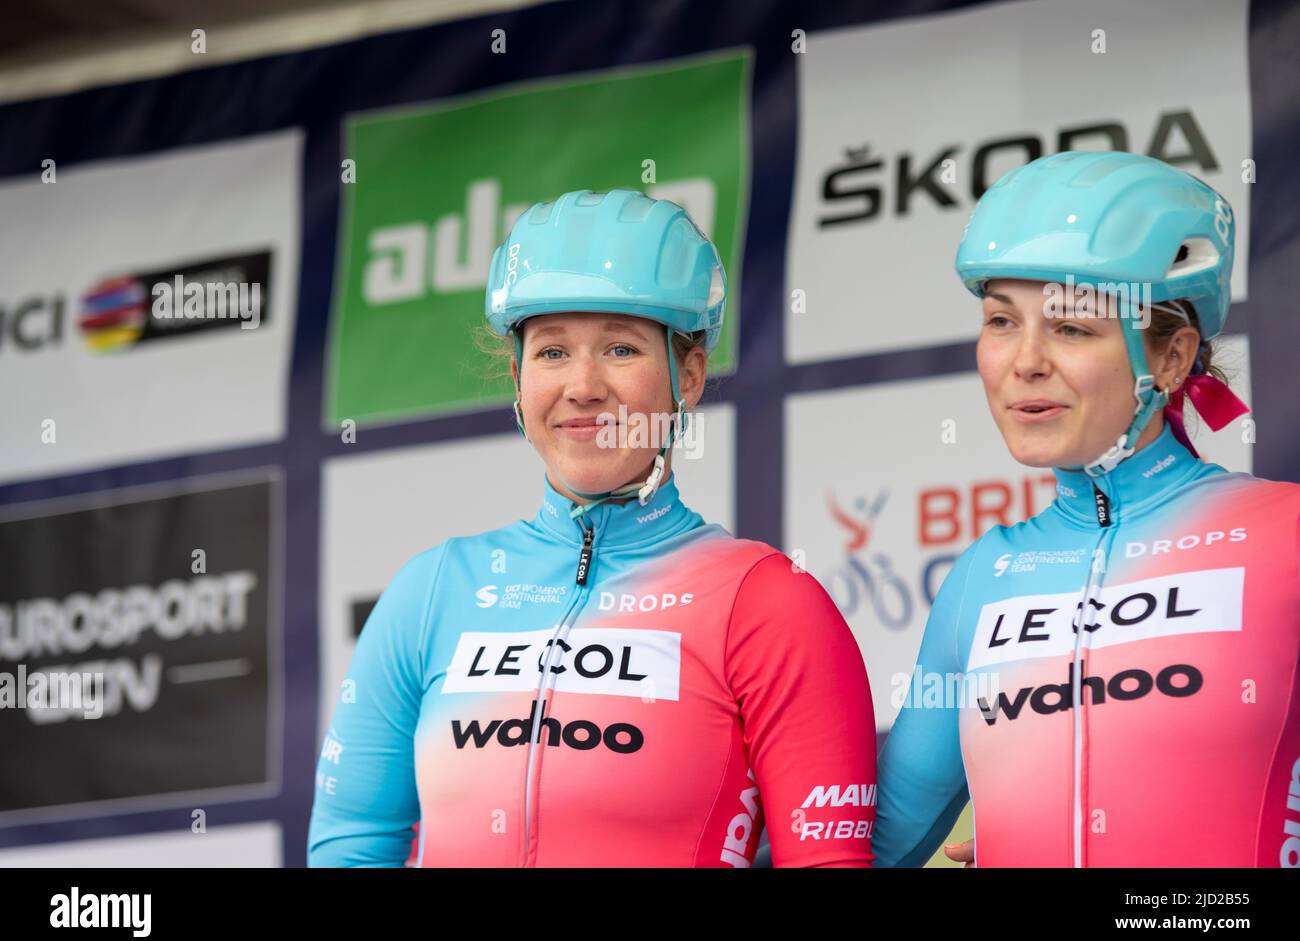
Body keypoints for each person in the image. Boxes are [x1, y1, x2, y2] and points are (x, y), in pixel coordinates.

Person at [308, 188, 877, 867]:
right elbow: (351, 847)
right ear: (517, 378)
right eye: (551, 352)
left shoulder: (767, 603)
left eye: (619, 348)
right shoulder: (431, 591)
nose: (582, 386)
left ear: (688, 375)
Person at [874, 151, 1300, 868]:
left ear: (1170, 359)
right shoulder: (985, 574)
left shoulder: (1283, 534)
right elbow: (873, 843)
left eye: (1071, 327)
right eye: (1002, 320)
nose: (1025, 361)